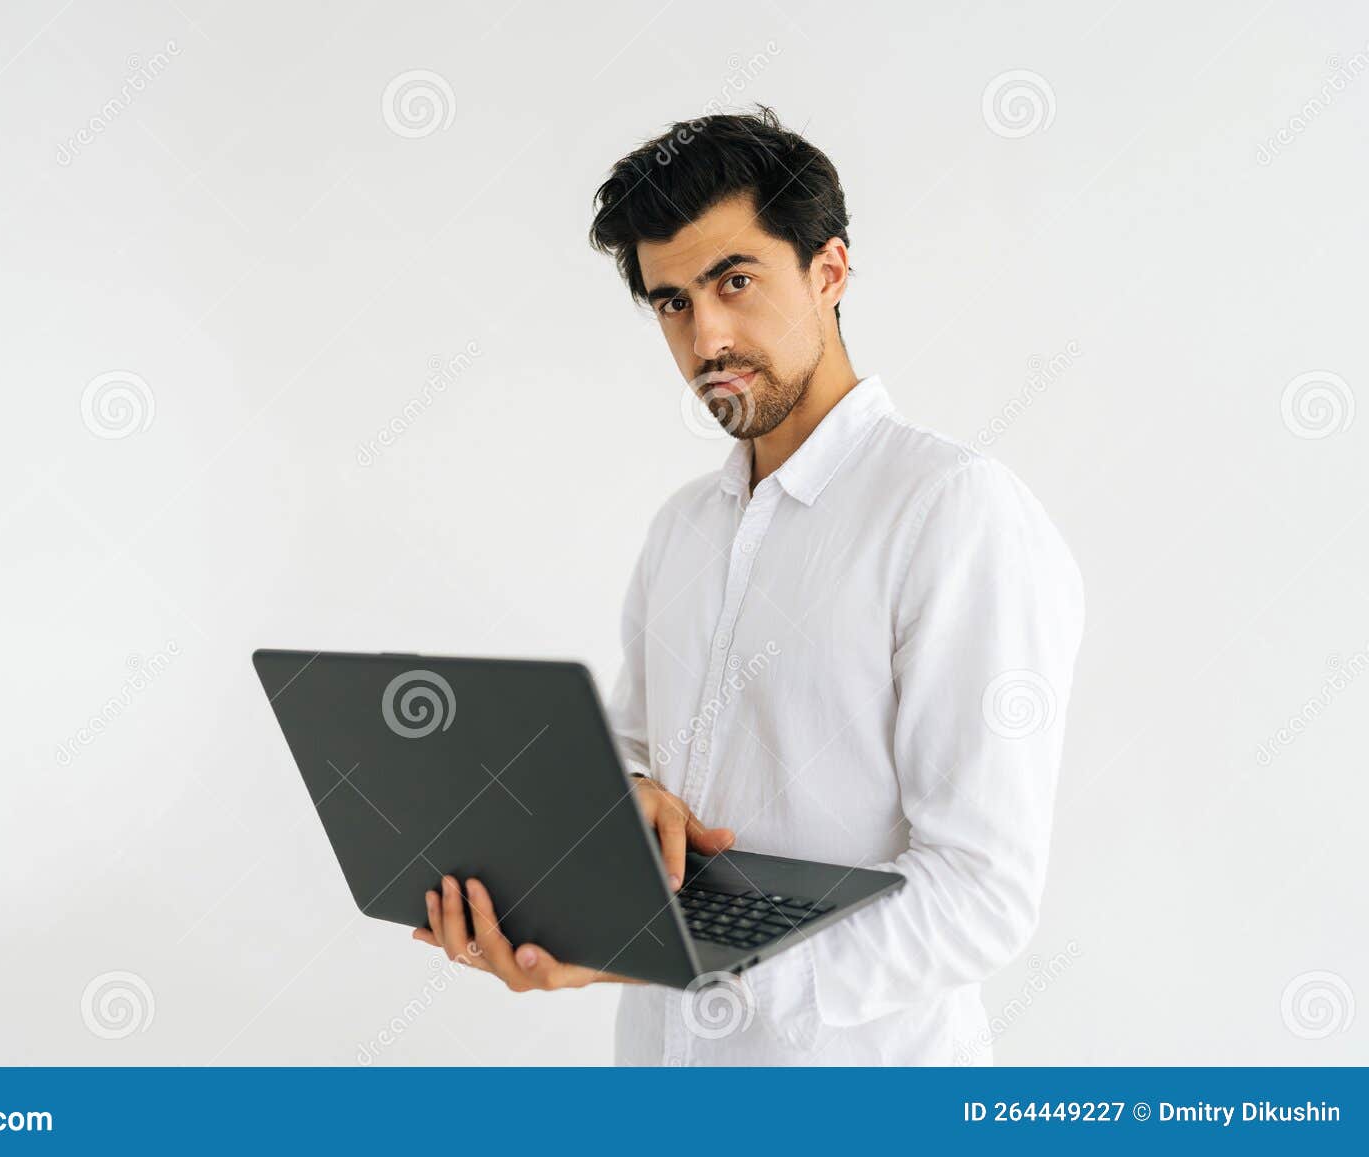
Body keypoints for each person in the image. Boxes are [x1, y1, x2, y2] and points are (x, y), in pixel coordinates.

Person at [413, 105, 1085, 1065]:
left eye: (735, 281)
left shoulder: (952, 510)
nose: (707, 337)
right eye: (673, 301)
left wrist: (686, 959)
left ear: (829, 271)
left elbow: (981, 891)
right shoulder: (684, 526)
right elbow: (634, 755)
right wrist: (601, 830)